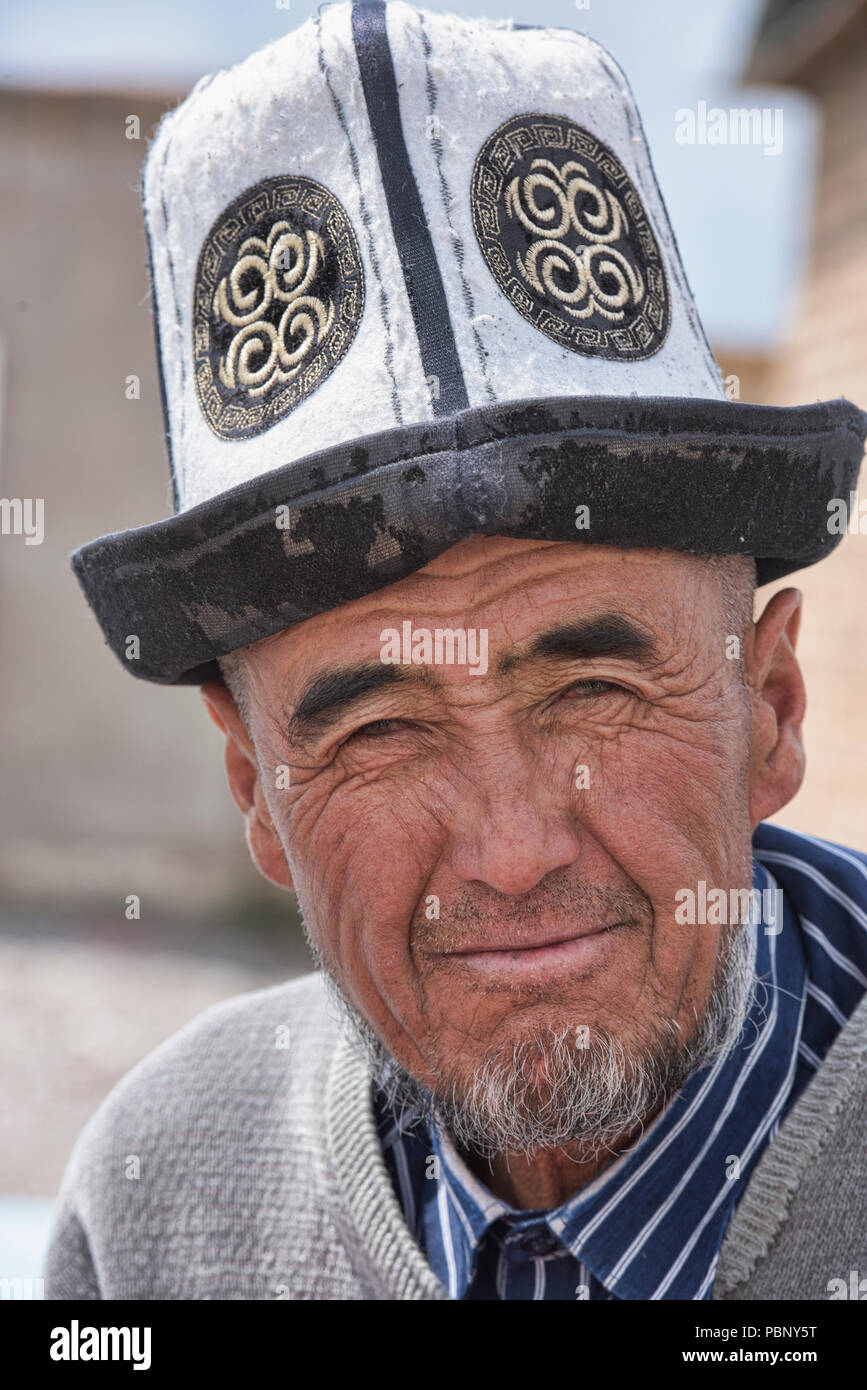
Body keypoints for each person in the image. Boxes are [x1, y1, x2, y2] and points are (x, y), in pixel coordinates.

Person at [46, 0, 867, 1300]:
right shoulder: (156, 1204)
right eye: (379, 732)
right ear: (257, 790)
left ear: (768, 702)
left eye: (593, 691)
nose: (513, 848)